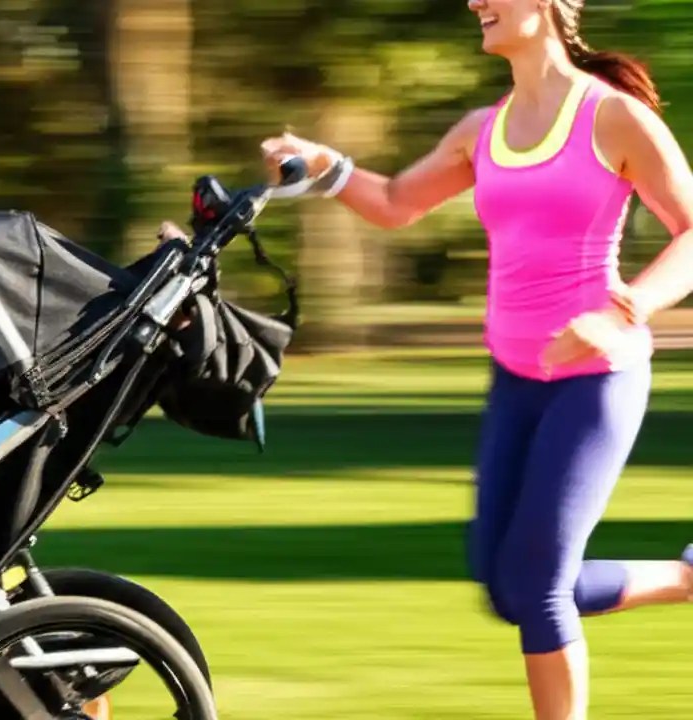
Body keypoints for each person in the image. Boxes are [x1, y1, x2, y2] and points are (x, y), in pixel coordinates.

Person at [254, 0, 693, 717]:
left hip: (595, 382)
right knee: (505, 585)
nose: (475, 2)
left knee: (540, 588)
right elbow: (395, 202)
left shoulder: (612, 117)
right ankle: (686, 580)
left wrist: (625, 311)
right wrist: (328, 169)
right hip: (516, 378)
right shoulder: (482, 130)